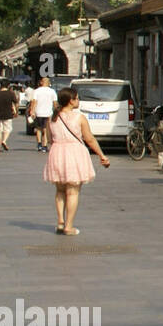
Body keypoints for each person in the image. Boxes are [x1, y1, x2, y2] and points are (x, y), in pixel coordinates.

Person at [43, 87, 109, 235]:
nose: (78, 101)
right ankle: (69, 226)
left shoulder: (52, 118)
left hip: (57, 152)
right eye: (77, 98)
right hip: (74, 153)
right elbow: (90, 139)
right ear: (71, 101)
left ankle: (60, 222)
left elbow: (49, 138)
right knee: (73, 191)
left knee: (60, 190)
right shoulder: (79, 118)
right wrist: (101, 155)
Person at [29, 77, 58, 152]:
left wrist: (32, 111)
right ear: (48, 83)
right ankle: (44, 146)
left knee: (38, 128)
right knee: (46, 129)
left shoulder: (37, 91)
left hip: (38, 112)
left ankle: (39, 144)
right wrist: (57, 111)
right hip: (48, 113)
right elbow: (55, 103)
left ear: (41, 82)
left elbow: (34, 102)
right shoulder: (52, 91)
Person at [0, 82, 17, 151]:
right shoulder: (11, 93)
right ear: (8, 86)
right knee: (8, 129)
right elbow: (15, 102)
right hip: (8, 114)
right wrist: (15, 111)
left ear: (0, 86)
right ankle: (4, 141)